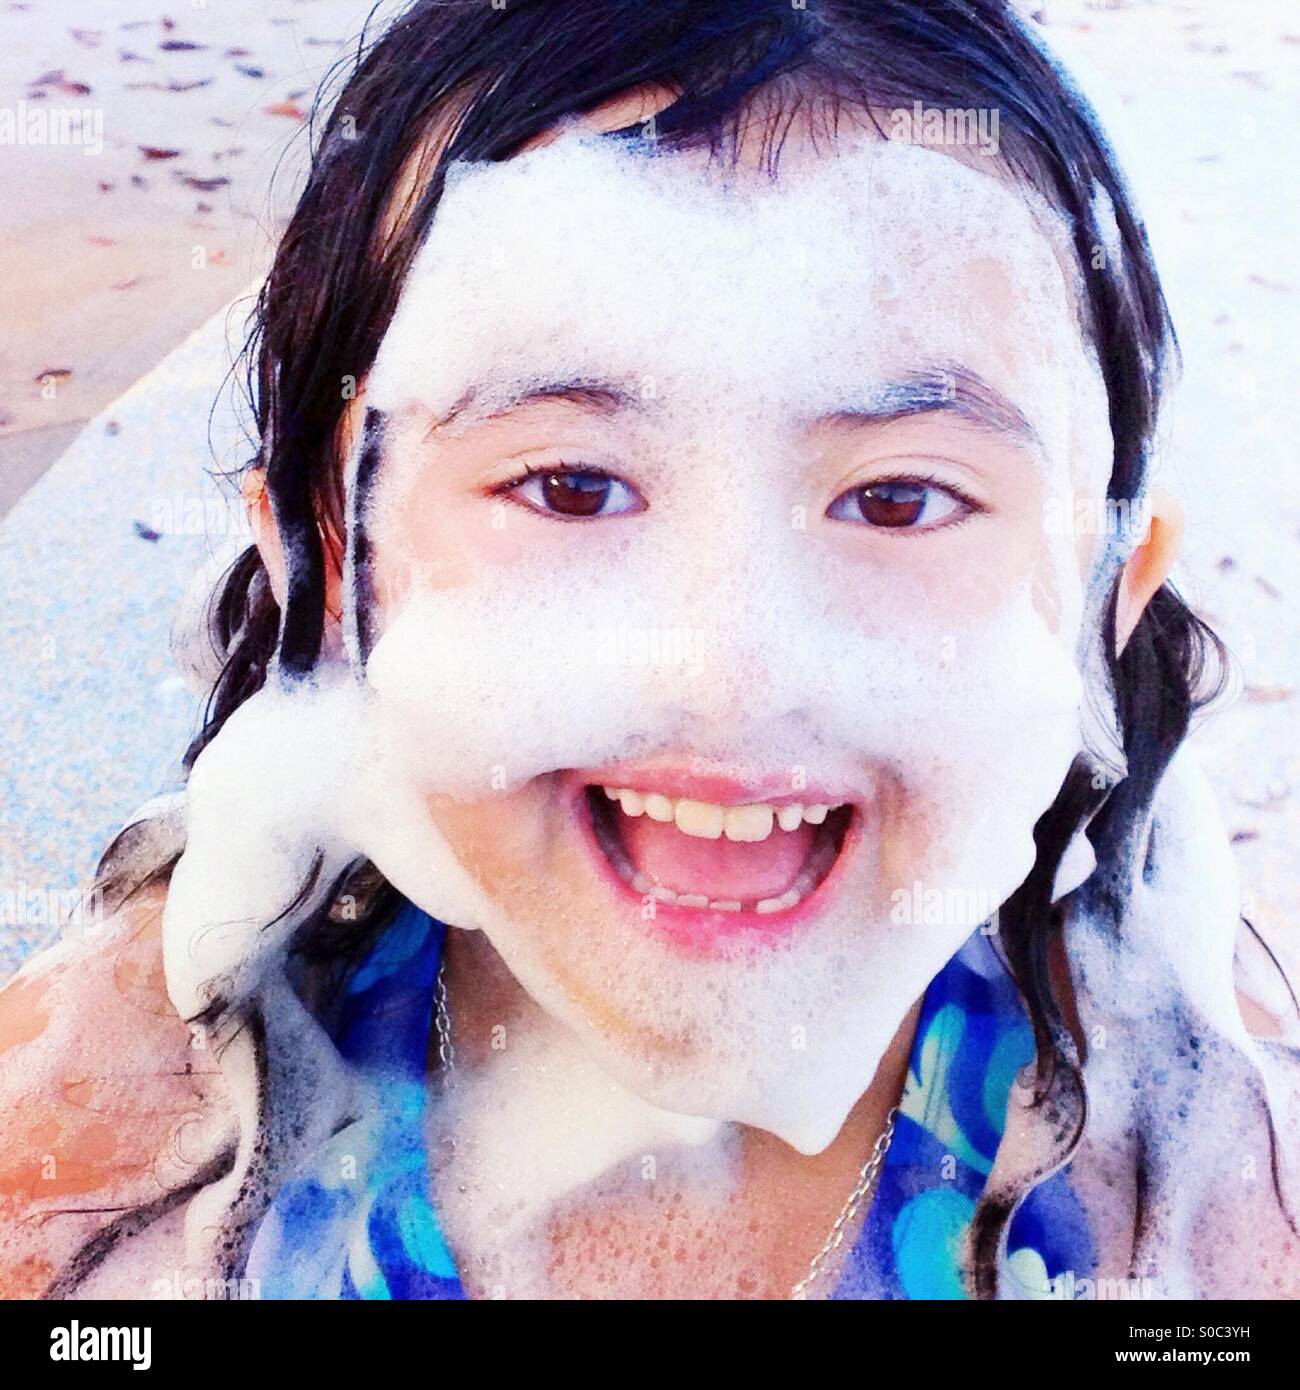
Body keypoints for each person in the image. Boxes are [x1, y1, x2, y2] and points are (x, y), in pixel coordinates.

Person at [1, 0, 1296, 1301]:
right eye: (569, 484)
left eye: (899, 498)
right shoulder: (105, 1123)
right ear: (332, 571)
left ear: (1099, 605)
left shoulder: (1192, 1174)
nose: (726, 672)